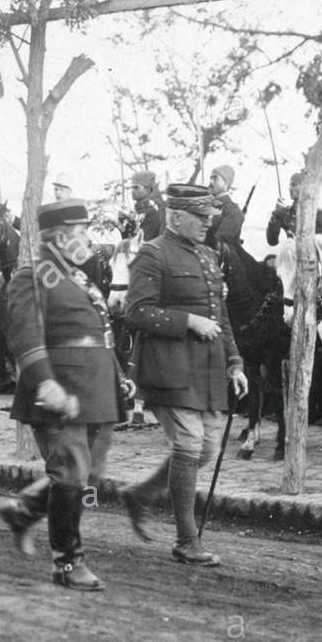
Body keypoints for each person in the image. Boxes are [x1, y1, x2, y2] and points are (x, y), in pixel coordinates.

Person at [0, 200, 135, 591]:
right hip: (58, 390)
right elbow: (24, 336)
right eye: (81, 232)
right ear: (59, 237)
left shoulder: (74, 275)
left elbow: (97, 332)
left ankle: (24, 511)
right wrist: (45, 382)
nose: (88, 240)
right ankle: (68, 563)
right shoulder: (33, 276)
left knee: (89, 473)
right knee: (72, 472)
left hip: (94, 390)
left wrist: (118, 376)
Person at [121, 183, 249, 566]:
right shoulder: (152, 253)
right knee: (189, 445)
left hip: (206, 371)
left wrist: (235, 361)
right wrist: (188, 321)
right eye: (201, 217)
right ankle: (187, 540)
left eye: (210, 217)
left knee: (207, 449)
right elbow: (135, 312)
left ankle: (142, 494)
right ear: (176, 217)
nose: (208, 224)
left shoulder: (208, 255)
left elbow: (220, 315)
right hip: (167, 366)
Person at [266, 171, 322, 246]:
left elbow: (319, 242)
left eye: (294, 185)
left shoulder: (317, 213)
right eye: (290, 185)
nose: (290, 188)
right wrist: (276, 215)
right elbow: (272, 241)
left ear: (305, 187)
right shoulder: (285, 213)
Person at [205, 164, 245, 248]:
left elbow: (221, 243)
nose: (210, 182)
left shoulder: (232, 211)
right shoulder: (206, 206)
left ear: (226, 183)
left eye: (215, 178)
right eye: (210, 178)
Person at [130, 171, 164, 242]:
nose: (132, 191)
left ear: (149, 190)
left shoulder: (151, 213)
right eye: (132, 188)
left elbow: (144, 241)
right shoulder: (135, 211)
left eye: (136, 188)